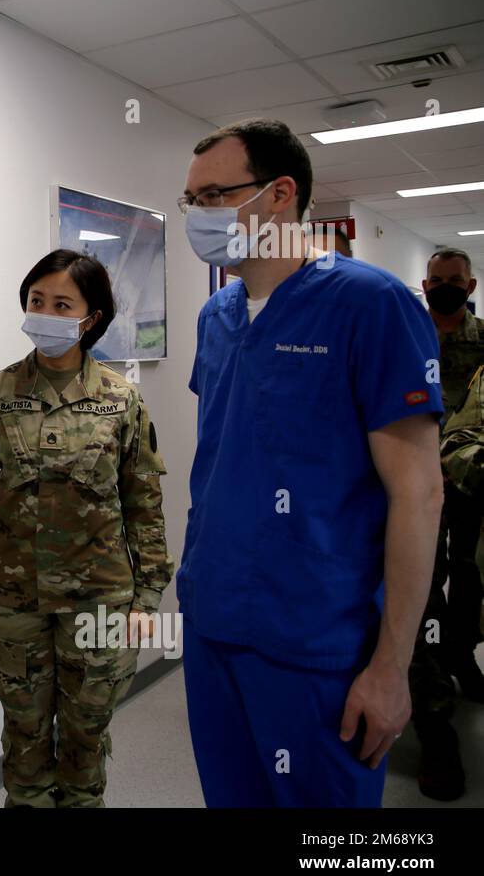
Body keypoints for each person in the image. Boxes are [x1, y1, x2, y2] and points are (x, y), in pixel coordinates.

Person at [179, 118, 443, 807]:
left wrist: (393, 665)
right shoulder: (217, 316)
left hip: (318, 641)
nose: (198, 216)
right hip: (215, 624)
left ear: (278, 195)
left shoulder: (370, 304)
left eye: (212, 196)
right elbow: (225, 461)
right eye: (190, 201)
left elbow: (419, 496)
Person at [0, 249, 172, 807]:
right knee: (23, 739)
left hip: (99, 601)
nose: (44, 313)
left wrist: (147, 598)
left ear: (90, 318)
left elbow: (144, 506)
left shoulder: (121, 400)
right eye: (36, 301)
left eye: (61, 304)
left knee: (85, 736)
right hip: (12, 602)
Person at [409, 247, 484, 800]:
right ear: (425, 282)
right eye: (436, 280)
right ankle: (435, 715)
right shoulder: (407, 331)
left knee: (470, 578)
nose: (444, 287)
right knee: (424, 591)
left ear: (472, 284)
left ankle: (463, 656)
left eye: (454, 280)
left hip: (473, 482)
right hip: (416, 484)